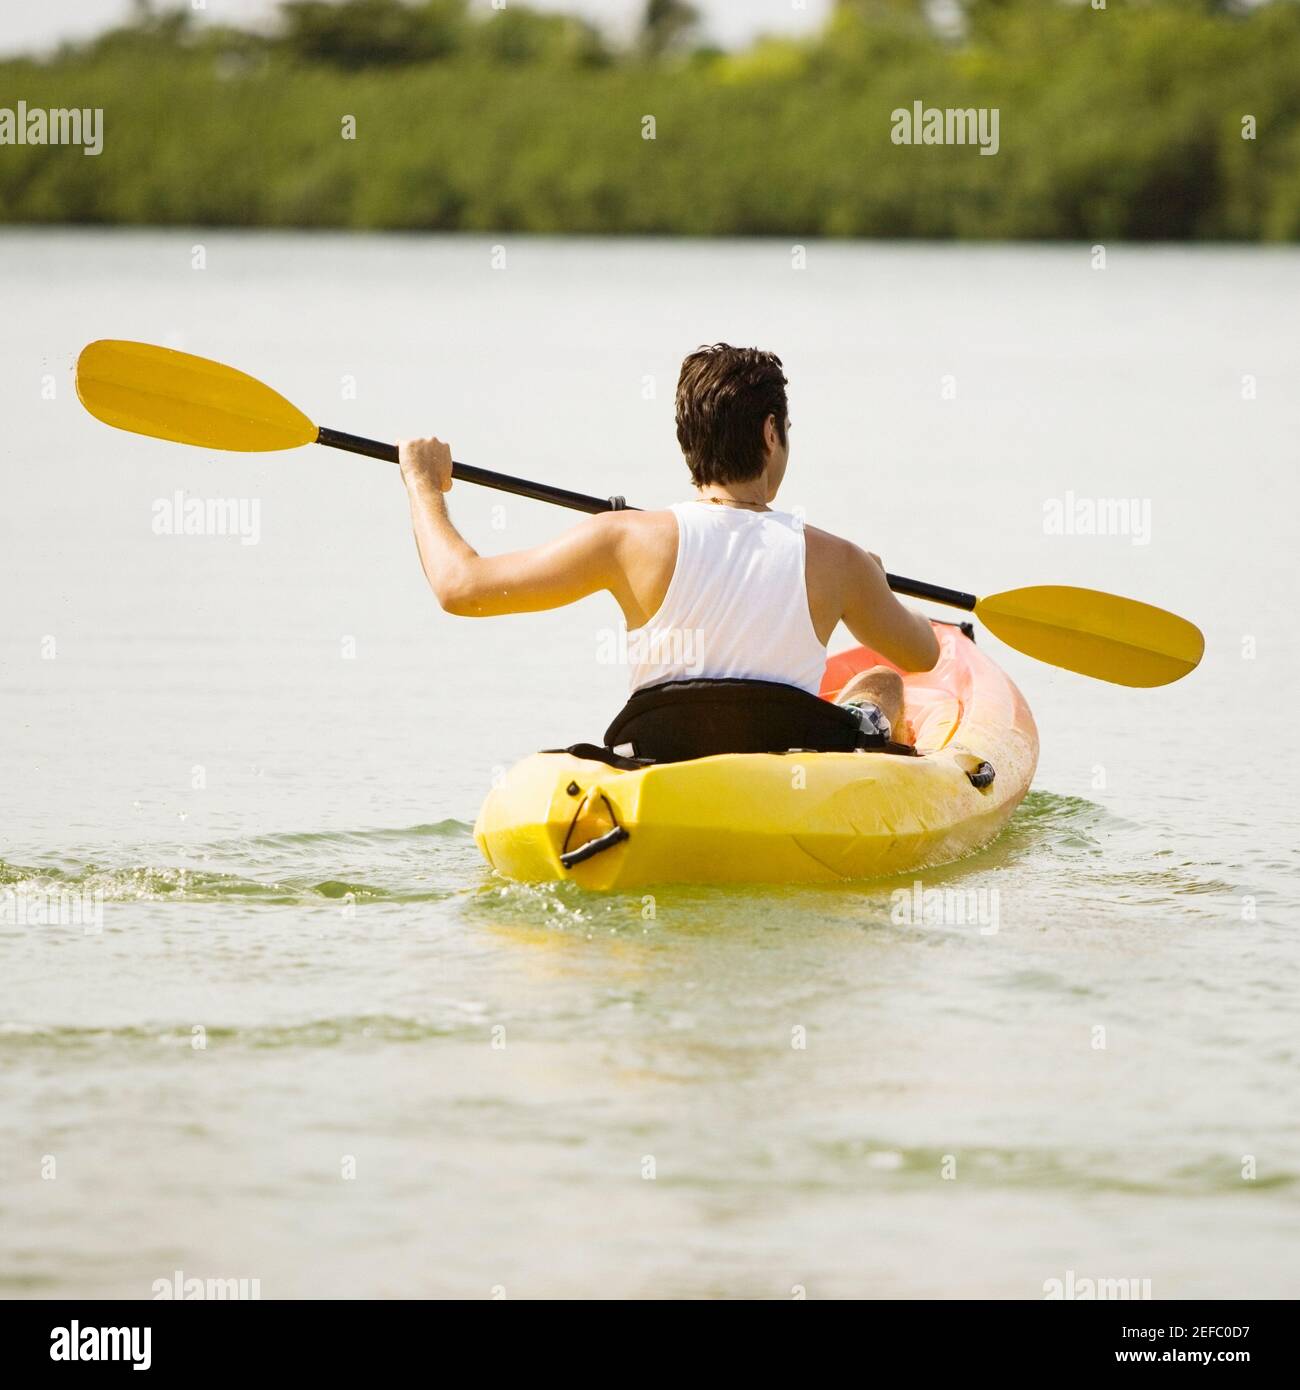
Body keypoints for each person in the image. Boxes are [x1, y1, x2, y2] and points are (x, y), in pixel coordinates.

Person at [398, 343, 939, 756]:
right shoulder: (839, 560)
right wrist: (874, 581)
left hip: (662, 763)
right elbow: (923, 654)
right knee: (881, 681)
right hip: (789, 775)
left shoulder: (622, 537)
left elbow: (459, 588)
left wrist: (422, 483)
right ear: (771, 433)